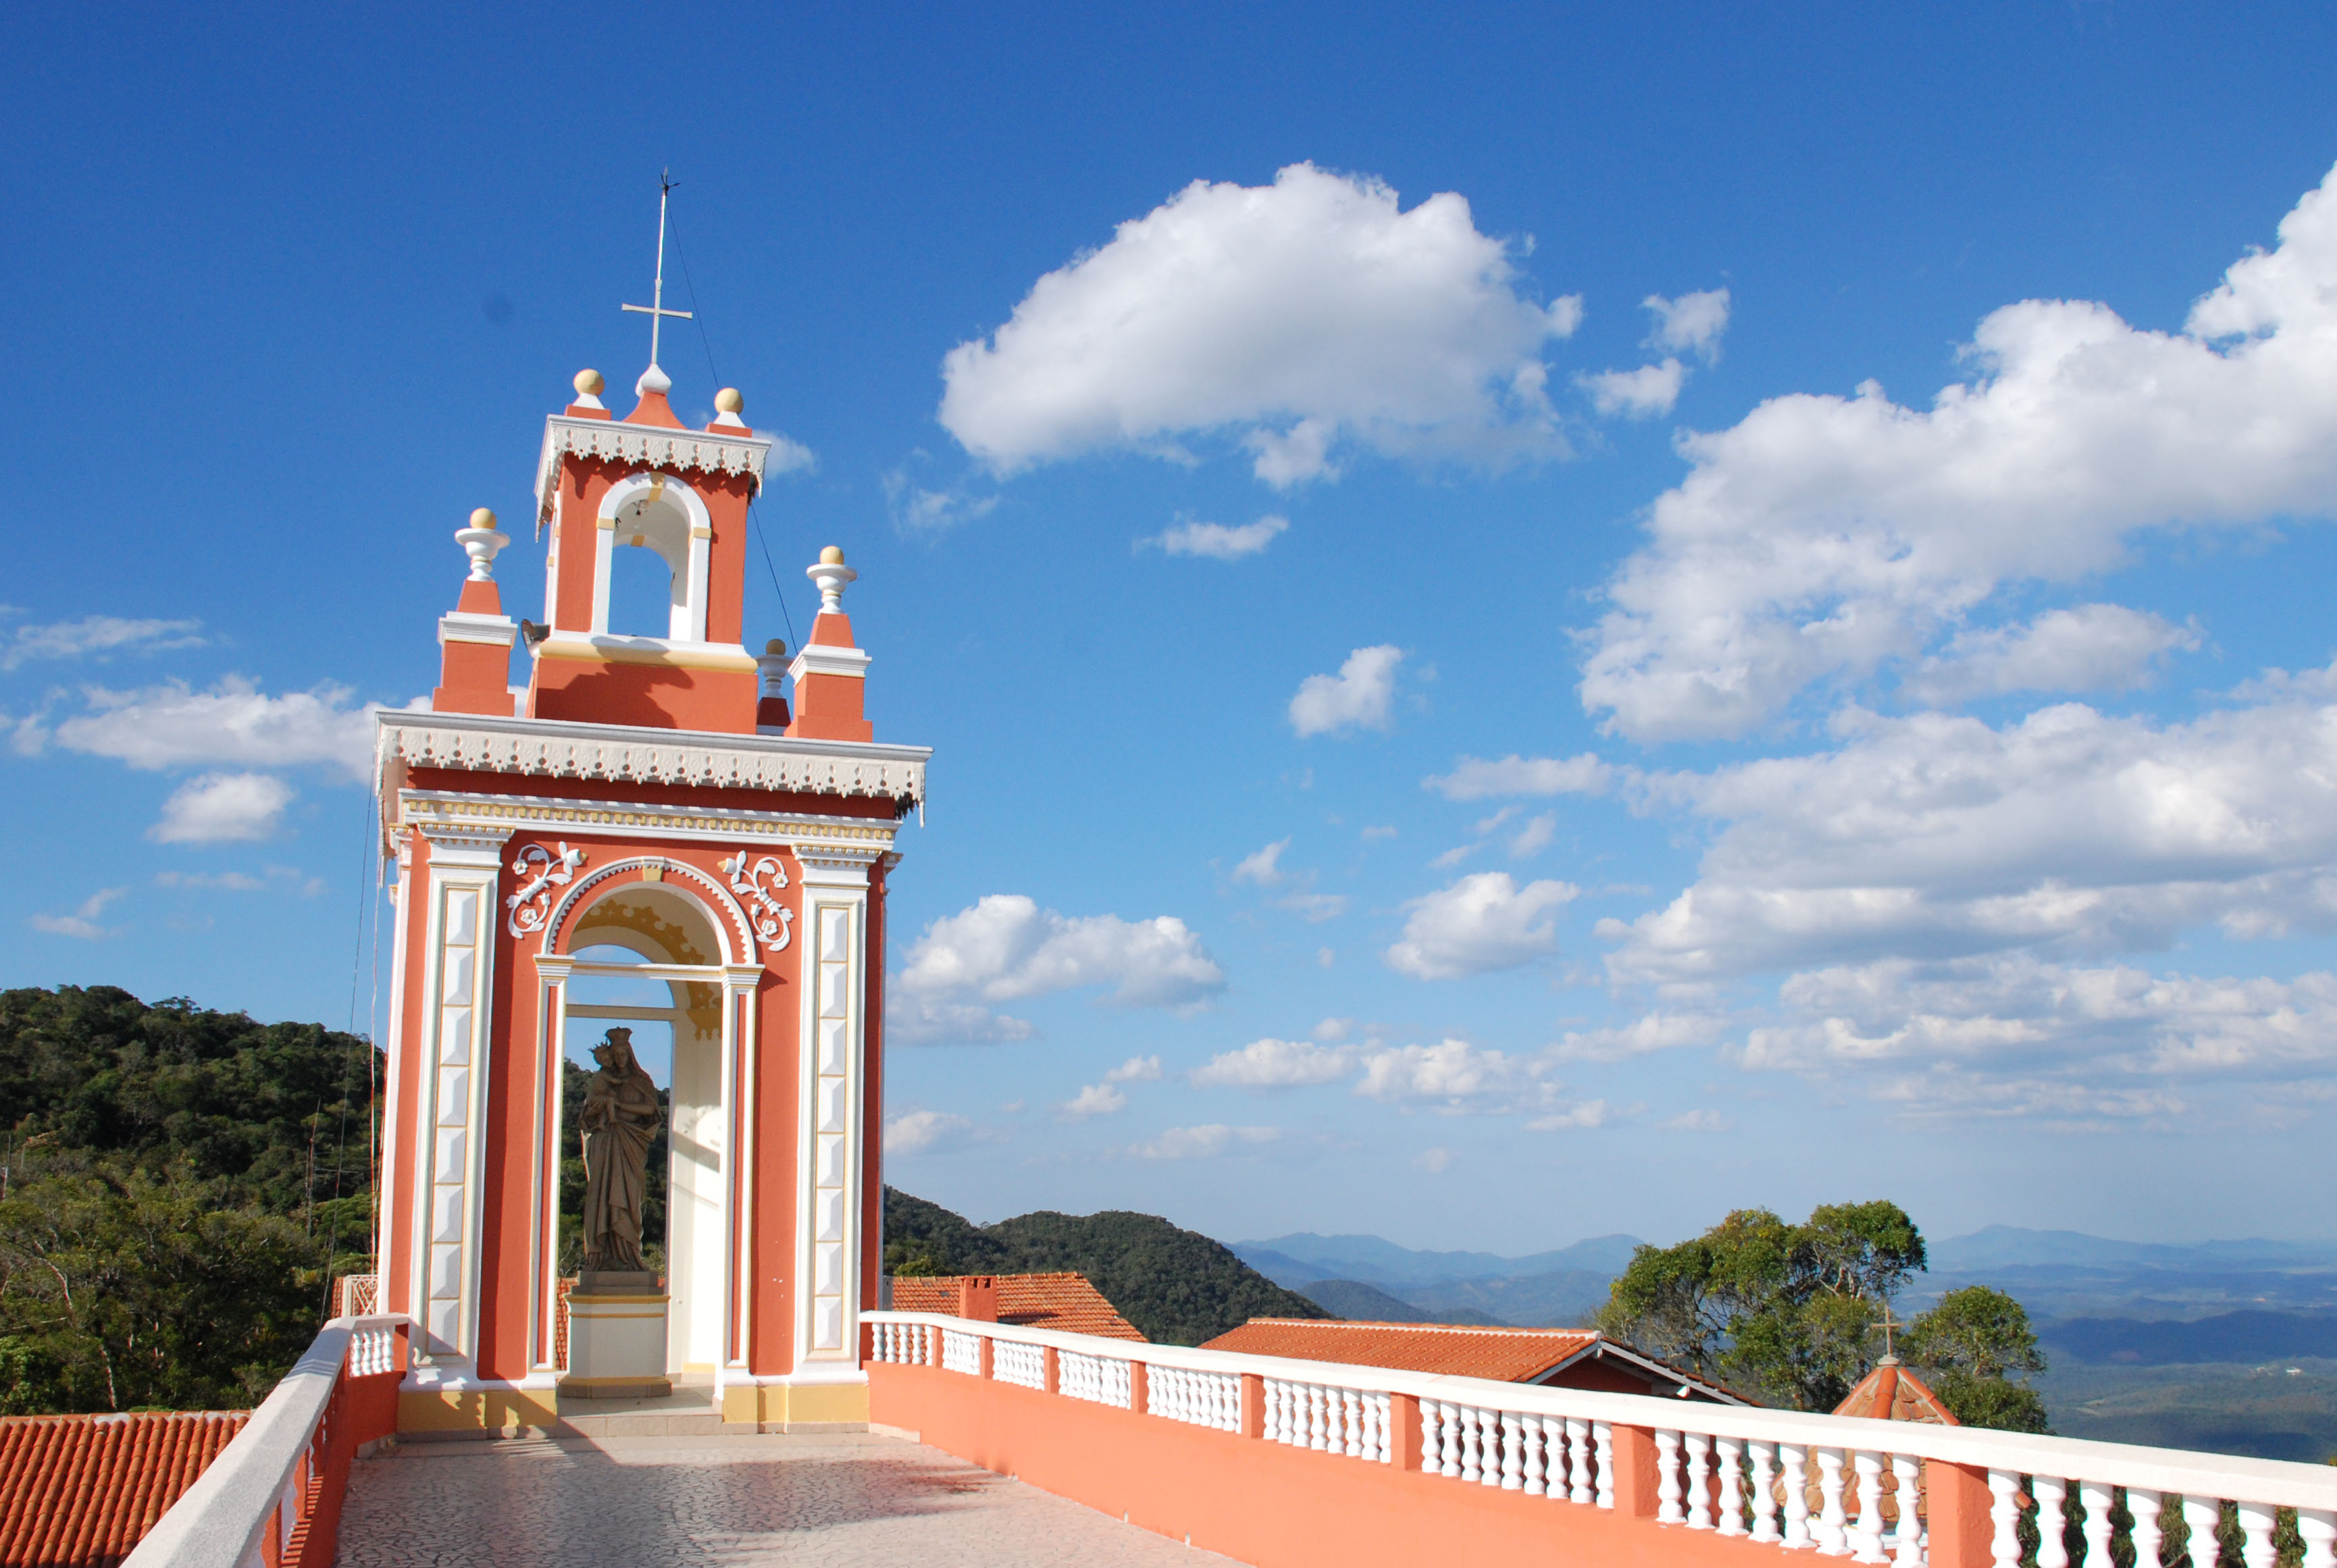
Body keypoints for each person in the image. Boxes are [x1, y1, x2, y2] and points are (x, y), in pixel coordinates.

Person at [580, 1027, 661, 1274]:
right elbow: (586, 1117)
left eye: (623, 1053)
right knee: (602, 1194)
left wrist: (620, 1106)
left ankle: (629, 1254)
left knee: (628, 1197)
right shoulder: (601, 1081)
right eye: (615, 1054)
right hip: (605, 1143)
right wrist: (600, 1108)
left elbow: (651, 1110)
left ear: (630, 1054)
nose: (619, 1059)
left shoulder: (641, 1081)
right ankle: (601, 1254)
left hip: (630, 1142)